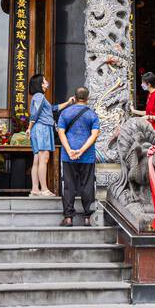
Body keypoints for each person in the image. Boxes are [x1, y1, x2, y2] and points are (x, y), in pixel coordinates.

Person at [56, 87, 101, 226]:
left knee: (68, 185)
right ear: (87, 99)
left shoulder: (65, 113)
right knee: (87, 185)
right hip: (87, 156)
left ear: (74, 98)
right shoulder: (92, 115)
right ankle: (88, 217)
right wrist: (81, 151)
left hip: (68, 156)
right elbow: (94, 135)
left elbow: (61, 133)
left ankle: (68, 217)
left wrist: (69, 150)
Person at [27, 73, 74, 198]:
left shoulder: (40, 97)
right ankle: (44, 189)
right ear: (40, 84)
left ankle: (35, 189)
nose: (47, 82)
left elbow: (53, 108)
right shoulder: (39, 96)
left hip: (39, 128)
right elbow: (35, 113)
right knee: (44, 158)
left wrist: (68, 103)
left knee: (37, 159)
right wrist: (29, 127)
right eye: (44, 80)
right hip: (42, 128)